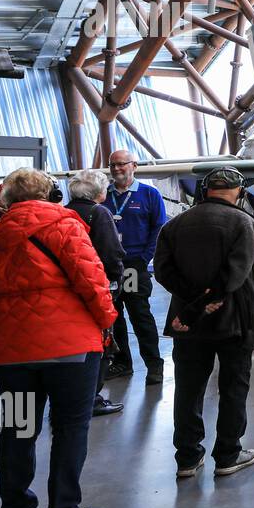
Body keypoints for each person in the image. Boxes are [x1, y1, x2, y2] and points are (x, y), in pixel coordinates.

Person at [0, 167, 118, 508]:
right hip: (71, 346)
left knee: (18, 428)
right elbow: (92, 282)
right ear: (51, 194)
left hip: (11, 353)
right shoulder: (68, 225)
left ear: (7, 199)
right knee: (70, 427)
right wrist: (106, 322)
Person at [155, 166, 254, 479]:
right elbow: (234, 275)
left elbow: (163, 271)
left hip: (186, 325)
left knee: (188, 389)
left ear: (205, 190)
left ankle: (188, 458)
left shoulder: (175, 224)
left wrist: (191, 306)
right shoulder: (244, 222)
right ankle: (228, 455)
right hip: (234, 322)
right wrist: (208, 301)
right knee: (233, 387)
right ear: (240, 192)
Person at [102, 150, 167, 384]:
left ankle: (154, 365)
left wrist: (143, 259)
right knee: (114, 316)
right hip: (109, 268)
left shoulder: (149, 194)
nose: (117, 169)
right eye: (112, 165)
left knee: (140, 315)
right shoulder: (104, 195)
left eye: (121, 164)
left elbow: (159, 228)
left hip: (133, 266)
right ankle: (121, 363)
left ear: (134, 166)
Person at [67, 169, 125, 417]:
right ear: (100, 193)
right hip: (97, 286)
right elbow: (111, 252)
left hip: (71, 288)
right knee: (102, 341)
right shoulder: (99, 213)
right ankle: (91, 398)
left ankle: (75, 395)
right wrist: (116, 281)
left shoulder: (64, 212)